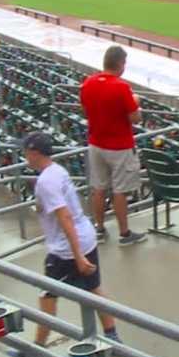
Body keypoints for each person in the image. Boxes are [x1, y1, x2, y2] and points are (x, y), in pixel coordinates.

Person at [14, 132, 120, 357]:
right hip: (85, 237)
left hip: (67, 249)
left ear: (34, 153)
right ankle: (113, 336)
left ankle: (36, 353)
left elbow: (64, 217)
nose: (24, 156)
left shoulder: (46, 182)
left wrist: (78, 256)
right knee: (93, 287)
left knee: (47, 295)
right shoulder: (57, 170)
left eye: (26, 151)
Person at [79, 46, 146, 246]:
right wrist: (137, 103)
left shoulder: (88, 83)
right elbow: (135, 118)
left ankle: (99, 229)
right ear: (120, 64)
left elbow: (85, 112)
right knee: (120, 191)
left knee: (98, 188)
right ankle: (124, 234)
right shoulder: (121, 87)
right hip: (119, 146)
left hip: (96, 144)